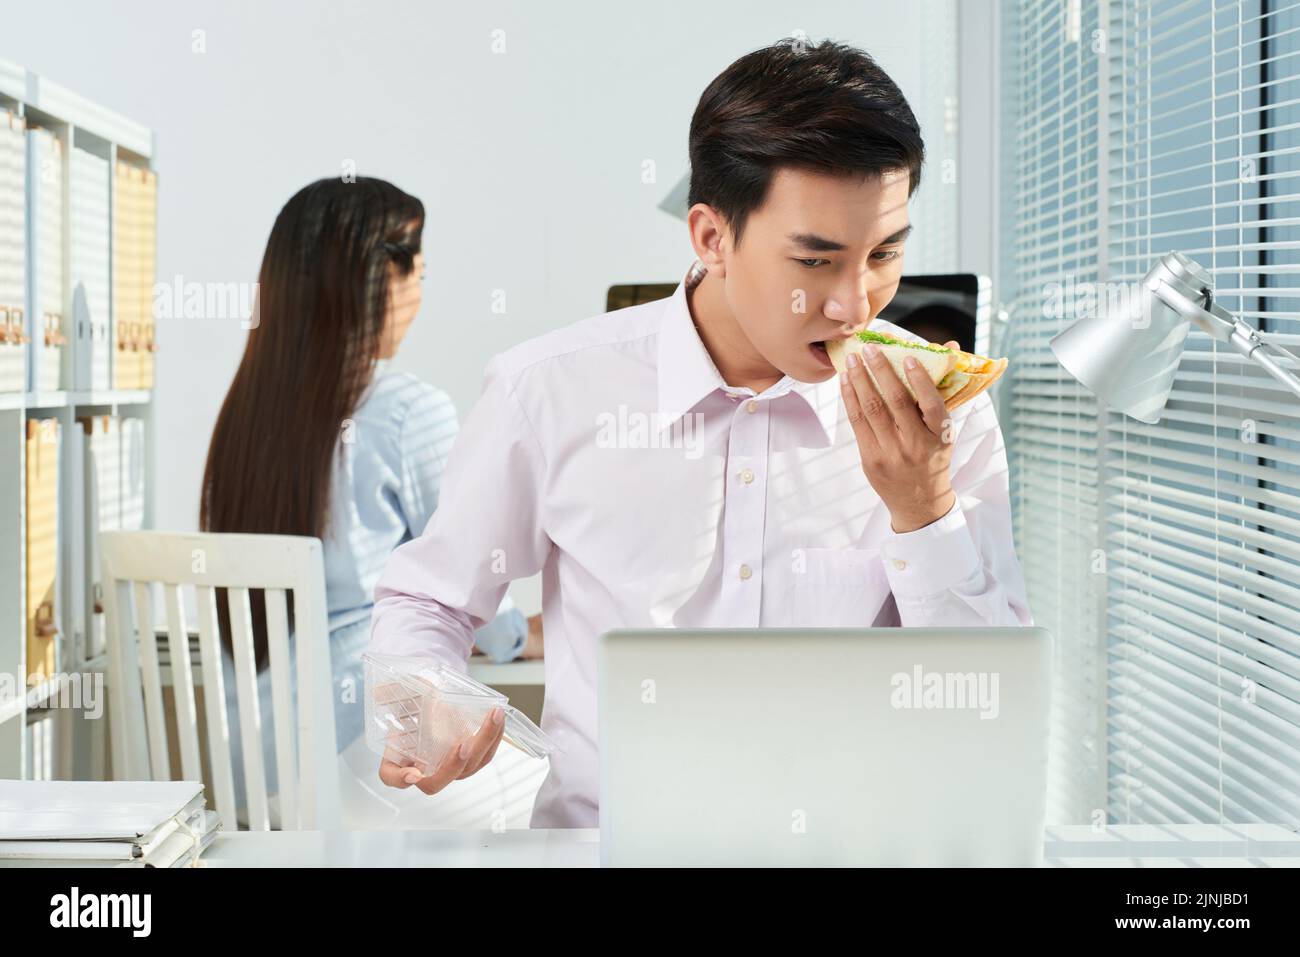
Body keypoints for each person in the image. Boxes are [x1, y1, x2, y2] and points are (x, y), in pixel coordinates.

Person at [368, 38, 1032, 827]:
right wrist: (431, 699)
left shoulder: (942, 412)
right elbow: (429, 601)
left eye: (884, 253)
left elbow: (984, 708)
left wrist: (923, 507)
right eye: (816, 262)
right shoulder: (547, 390)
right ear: (712, 237)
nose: (858, 305)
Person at [198, 177, 540, 818]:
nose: (419, 296)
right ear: (384, 275)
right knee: (566, 798)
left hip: (253, 772)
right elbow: (466, 581)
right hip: (363, 760)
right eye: (420, 273)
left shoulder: (241, 418)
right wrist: (515, 637)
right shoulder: (407, 411)